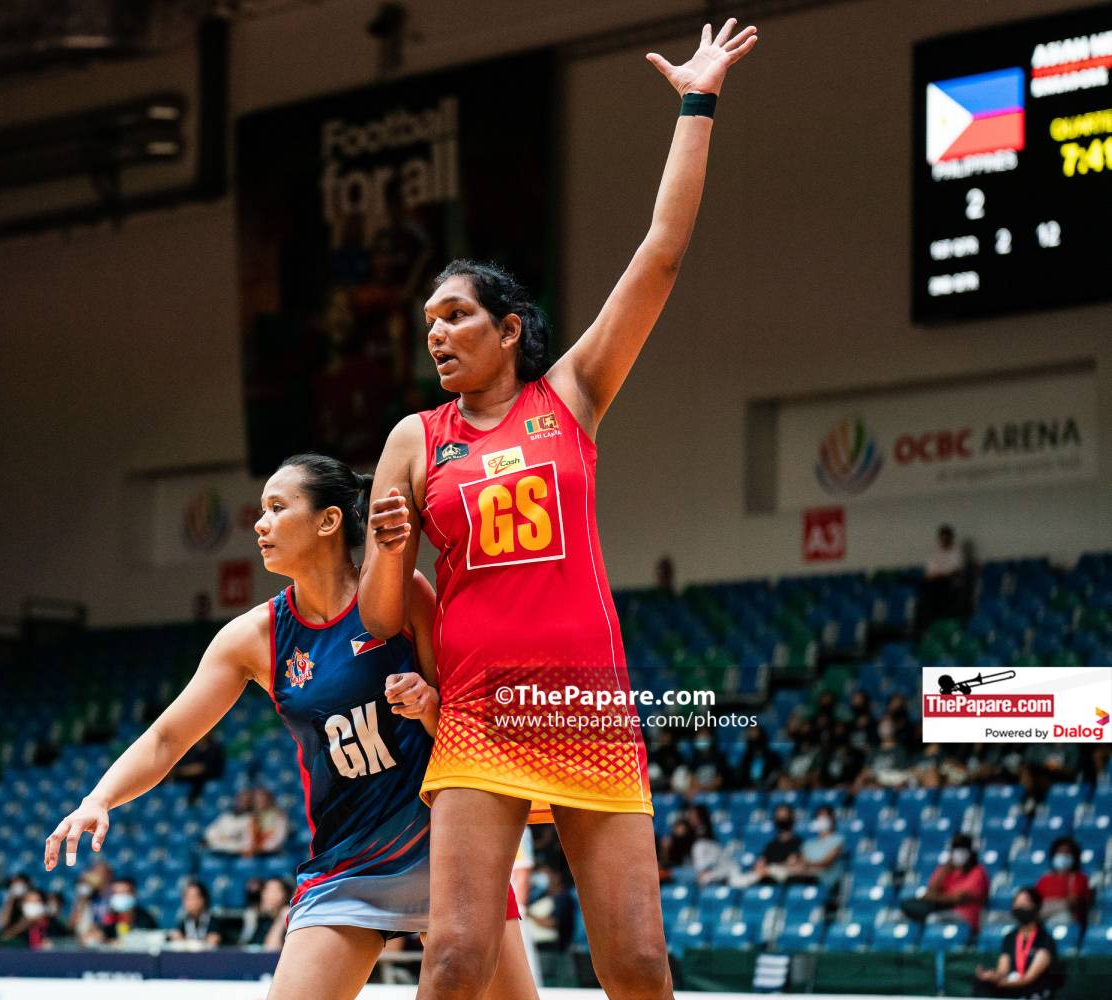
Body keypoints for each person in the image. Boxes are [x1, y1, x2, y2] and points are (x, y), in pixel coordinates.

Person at [360, 23, 758, 1000]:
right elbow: (379, 617)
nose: (438, 334)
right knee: (453, 958)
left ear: (509, 330)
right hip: (481, 712)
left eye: (456, 316)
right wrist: (388, 549)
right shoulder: (414, 439)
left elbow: (660, 255)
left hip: (585, 702)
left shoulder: (570, 393)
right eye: (428, 326)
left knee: (636, 964)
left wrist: (696, 105)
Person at [42, 454, 536, 1000]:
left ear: (327, 521)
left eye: (277, 508)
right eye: (261, 510)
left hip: (449, 849)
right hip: (348, 862)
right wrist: (99, 797)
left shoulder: (404, 592)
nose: (259, 523)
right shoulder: (252, 636)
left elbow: (471, 725)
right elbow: (167, 738)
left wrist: (429, 703)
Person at [973, 888, 1058, 999]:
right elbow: (1003, 969)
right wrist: (993, 976)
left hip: (1033, 988)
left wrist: (1003, 983)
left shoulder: (1045, 939)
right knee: (982, 985)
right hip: (1012, 984)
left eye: (1024, 904)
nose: (1019, 908)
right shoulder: (1010, 937)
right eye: (1016, 904)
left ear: (1036, 907)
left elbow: (1029, 978)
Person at [905, 834, 989, 933]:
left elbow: (959, 898)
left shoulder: (977, 872)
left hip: (965, 914)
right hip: (942, 908)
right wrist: (944, 871)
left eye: (962, 851)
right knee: (909, 905)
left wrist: (934, 897)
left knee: (933, 919)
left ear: (970, 853)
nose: (959, 854)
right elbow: (931, 890)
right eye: (955, 850)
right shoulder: (946, 870)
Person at [1035, 837, 1092, 926]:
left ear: (1074, 857)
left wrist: (1046, 907)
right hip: (1042, 918)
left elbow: (1072, 902)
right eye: (1059, 852)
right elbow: (1035, 902)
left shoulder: (1079, 878)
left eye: (1067, 853)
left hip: (1066, 919)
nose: (1063, 855)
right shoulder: (1044, 879)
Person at [0, 888, 69, 949]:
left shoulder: (53, 923)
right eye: (29, 901)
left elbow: (66, 941)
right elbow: (5, 938)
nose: (33, 905)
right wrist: (24, 924)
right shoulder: (16, 921)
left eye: (36, 901)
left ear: (43, 904)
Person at [794, 805, 845, 891]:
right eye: (819, 817)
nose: (822, 819)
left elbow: (827, 862)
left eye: (825, 817)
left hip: (826, 880)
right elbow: (801, 862)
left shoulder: (838, 840)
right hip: (806, 876)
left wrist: (809, 865)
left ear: (832, 819)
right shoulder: (808, 844)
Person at [239, 877, 293, 950]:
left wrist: (281, 920)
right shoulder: (255, 915)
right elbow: (243, 946)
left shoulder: (289, 919)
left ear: (285, 895)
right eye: (267, 890)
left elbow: (272, 949)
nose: (270, 895)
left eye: (276, 891)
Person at [168, 881, 221, 948]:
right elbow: (177, 937)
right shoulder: (184, 921)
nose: (187, 902)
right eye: (186, 897)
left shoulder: (214, 921)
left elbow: (213, 942)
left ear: (203, 899)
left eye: (192, 897)